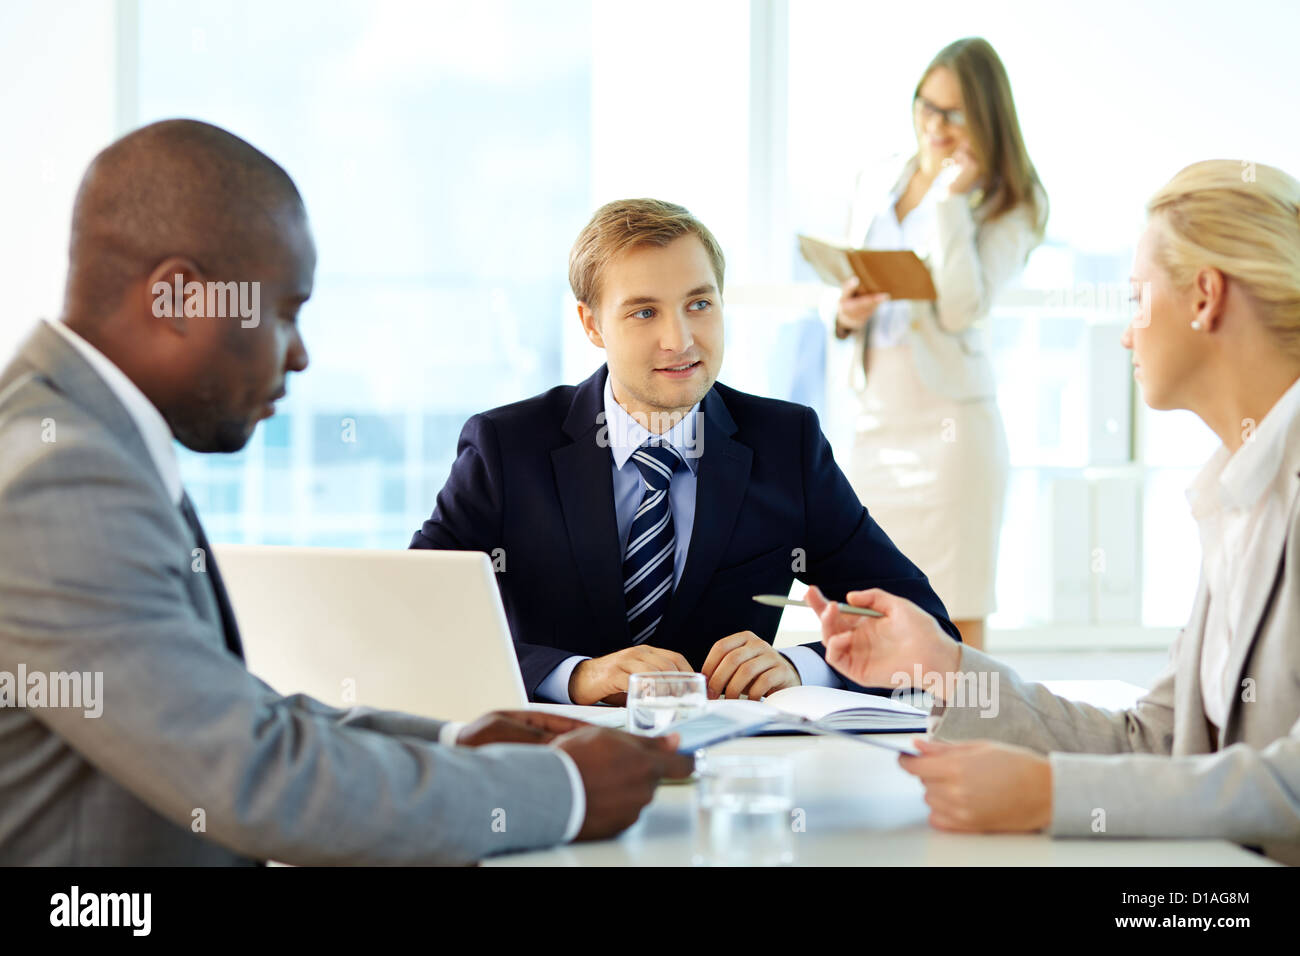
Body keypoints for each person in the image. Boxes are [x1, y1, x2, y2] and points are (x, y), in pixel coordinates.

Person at [0, 119, 690, 866]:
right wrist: (565, 790)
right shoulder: (62, 478)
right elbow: (257, 779)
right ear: (177, 298)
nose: (300, 355)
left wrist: (459, 740)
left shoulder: (77, 441)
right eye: (284, 312)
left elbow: (230, 718)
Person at [807, 160, 1300, 866]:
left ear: (1205, 298)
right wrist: (948, 667)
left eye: (1136, 299)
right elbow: (1153, 743)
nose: (1128, 334)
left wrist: (1051, 794)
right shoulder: (1237, 494)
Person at [412, 198, 958, 706]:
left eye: (699, 303)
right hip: (555, 761)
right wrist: (577, 676)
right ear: (591, 324)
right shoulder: (508, 447)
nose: (680, 340)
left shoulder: (785, 444)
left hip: (730, 764)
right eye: (644, 312)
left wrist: (799, 669)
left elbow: (922, 624)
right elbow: (416, 616)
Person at [826, 37, 1047, 650]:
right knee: (867, 601)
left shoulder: (1011, 200)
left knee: (956, 605)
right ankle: (875, 735)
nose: (935, 124)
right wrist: (843, 312)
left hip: (951, 430)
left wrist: (950, 199)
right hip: (876, 422)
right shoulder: (878, 176)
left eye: (954, 113)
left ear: (985, 116)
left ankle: (968, 736)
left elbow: (961, 309)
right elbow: (849, 276)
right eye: (927, 105)